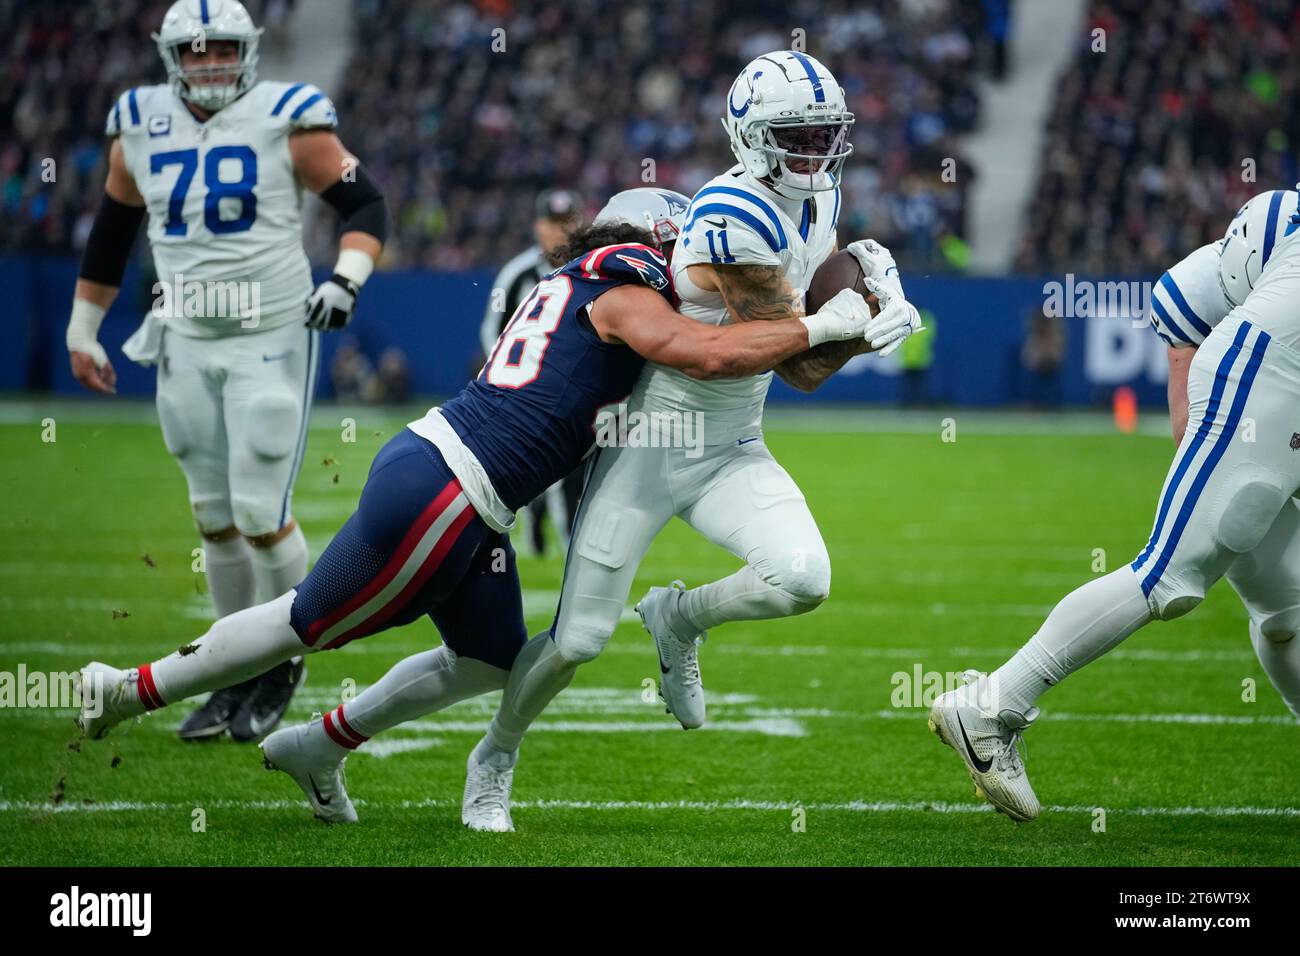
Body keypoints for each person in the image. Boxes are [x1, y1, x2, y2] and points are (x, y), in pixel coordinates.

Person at [75, 188, 894, 826]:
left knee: (491, 659)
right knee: (304, 622)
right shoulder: (621, 289)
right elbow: (702, 350)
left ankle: (319, 746)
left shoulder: (575, 280)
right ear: (650, 241)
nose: (694, 259)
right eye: (680, 241)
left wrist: (838, 295)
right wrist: (824, 321)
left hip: (464, 491)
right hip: (449, 489)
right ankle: (129, 688)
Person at [461, 51, 923, 832]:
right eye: (797, 135)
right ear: (751, 137)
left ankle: (681, 617)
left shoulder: (819, 194)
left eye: (825, 133)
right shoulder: (732, 216)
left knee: (803, 578)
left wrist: (868, 298)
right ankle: (494, 756)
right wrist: (862, 323)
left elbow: (811, 314)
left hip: (733, 443)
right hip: (649, 445)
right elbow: (801, 363)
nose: (815, 151)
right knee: (577, 641)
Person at [63, 0, 388, 742]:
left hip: (268, 333)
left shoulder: (289, 116)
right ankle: (228, 667)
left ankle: (282, 656)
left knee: (260, 512)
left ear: (249, 51)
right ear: (172, 56)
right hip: (183, 335)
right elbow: (112, 232)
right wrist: (83, 329)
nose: (211, 63)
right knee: (212, 516)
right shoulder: (138, 121)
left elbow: (365, 203)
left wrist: (346, 279)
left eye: (223, 49)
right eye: (197, 50)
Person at [929, 187, 1300, 821]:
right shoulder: (1267, 249)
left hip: (1271, 382)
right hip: (1265, 377)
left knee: (1287, 611)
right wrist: (1206, 435)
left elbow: (1177, 297)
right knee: (1171, 575)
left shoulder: (1270, 236)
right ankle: (990, 706)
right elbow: (1181, 308)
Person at [479, 188, 586, 557]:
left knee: (575, 475)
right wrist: (509, 384)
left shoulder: (593, 265)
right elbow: (493, 331)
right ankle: (538, 511)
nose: (560, 231)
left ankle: (573, 549)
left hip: (579, 391)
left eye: (567, 222)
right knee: (537, 468)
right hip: (529, 392)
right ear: (538, 226)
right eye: (553, 223)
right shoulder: (518, 274)